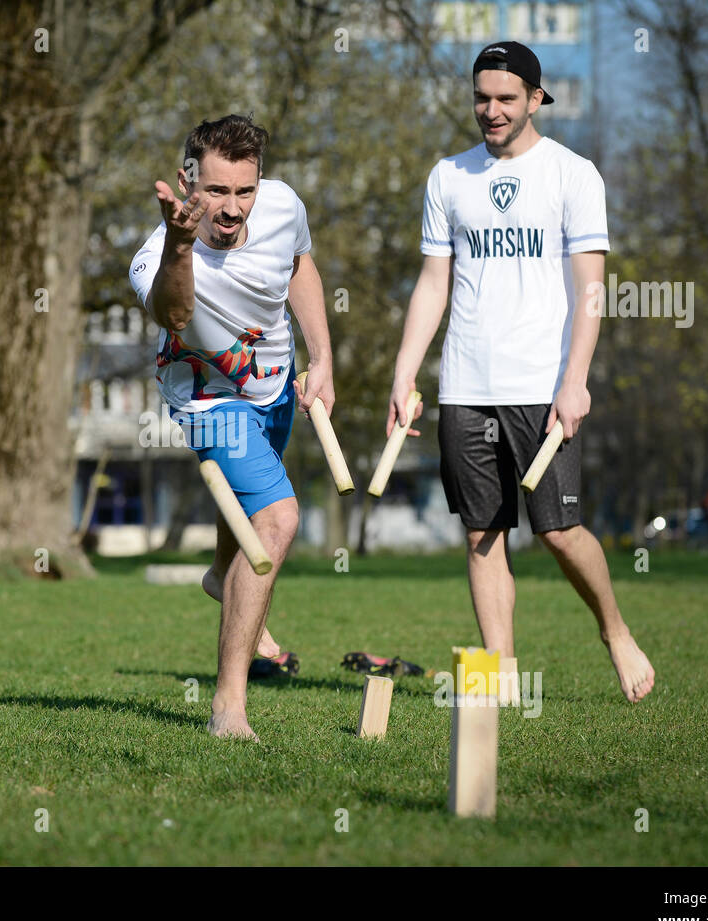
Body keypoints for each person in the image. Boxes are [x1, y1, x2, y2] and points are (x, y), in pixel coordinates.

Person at [385, 42, 654, 702]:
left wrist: (576, 380)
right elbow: (432, 285)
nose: (492, 109)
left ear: (537, 98)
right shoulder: (448, 177)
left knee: (560, 531)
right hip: (467, 384)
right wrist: (405, 374)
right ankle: (500, 678)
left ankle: (615, 631)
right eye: (482, 97)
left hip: (543, 383)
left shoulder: (572, 175)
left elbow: (591, 289)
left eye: (507, 97)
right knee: (482, 533)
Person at [130, 114, 336, 739]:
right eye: (216, 191)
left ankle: (222, 576)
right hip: (207, 398)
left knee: (249, 519)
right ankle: (229, 703)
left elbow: (299, 264)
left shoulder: (281, 207)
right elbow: (175, 311)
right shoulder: (152, 258)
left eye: (243, 191)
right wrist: (181, 245)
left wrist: (323, 355)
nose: (232, 207)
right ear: (187, 180)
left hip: (274, 383)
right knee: (276, 520)